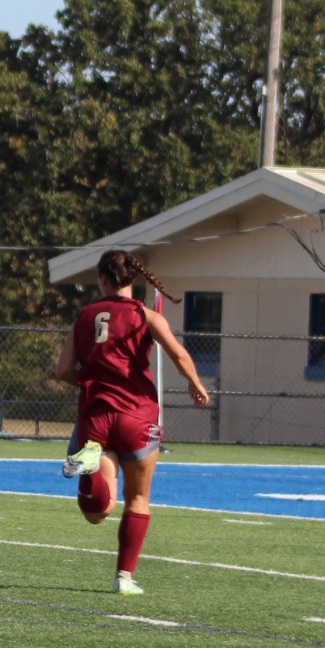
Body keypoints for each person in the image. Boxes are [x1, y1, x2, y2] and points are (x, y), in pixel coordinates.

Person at [54, 249, 210, 595]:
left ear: (103, 279)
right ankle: (124, 578)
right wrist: (195, 384)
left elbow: (63, 370)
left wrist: (89, 381)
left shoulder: (85, 316)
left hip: (96, 416)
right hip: (137, 417)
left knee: (98, 511)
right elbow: (178, 353)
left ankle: (88, 471)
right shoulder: (146, 316)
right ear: (133, 279)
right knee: (138, 497)